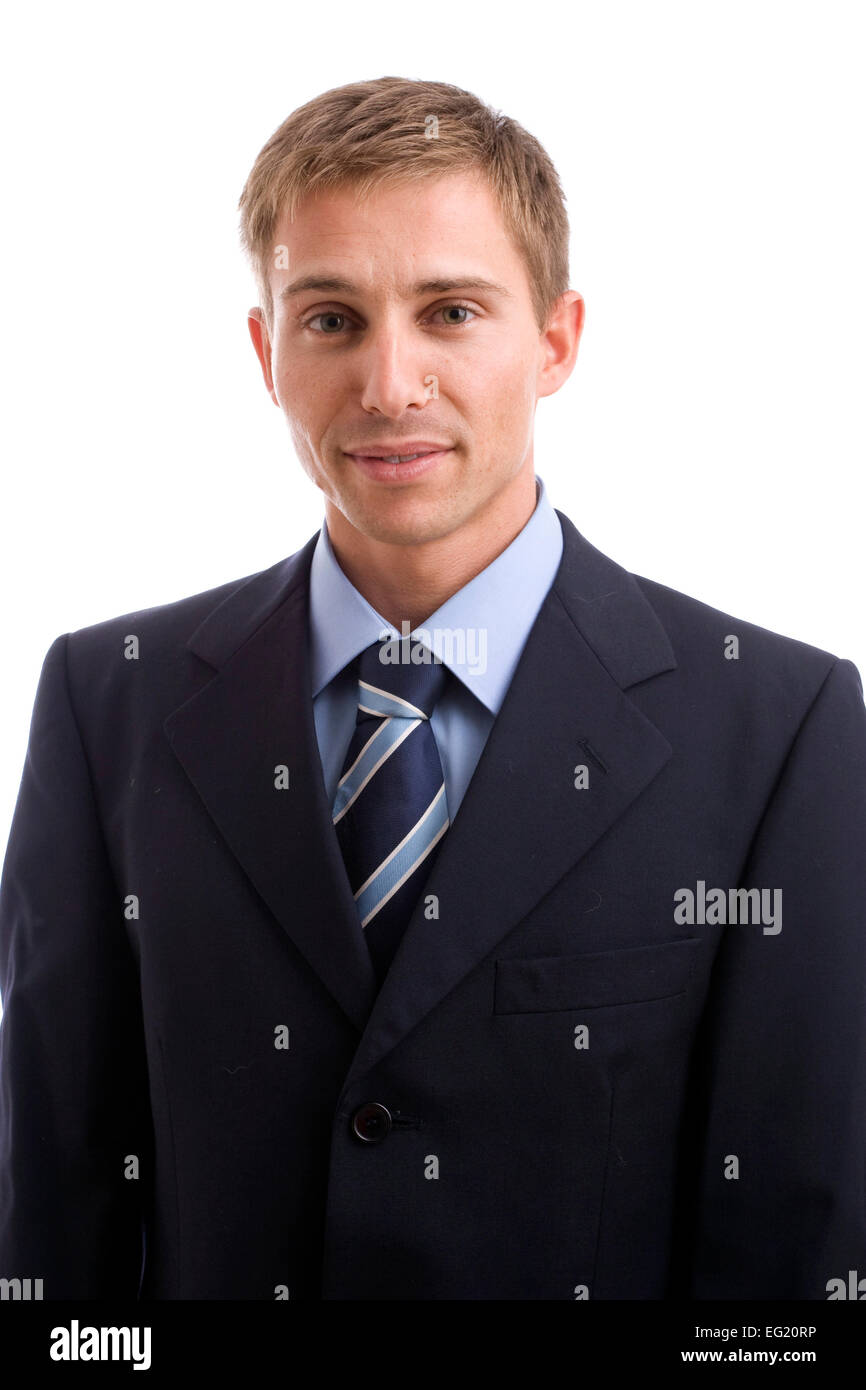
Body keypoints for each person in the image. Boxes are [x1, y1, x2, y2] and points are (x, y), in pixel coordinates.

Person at [1, 75, 864, 1302]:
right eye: (331, 319)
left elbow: (794, 1239)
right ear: (266, 350)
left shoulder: (777, 728)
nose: (389, 384)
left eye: (450, 311)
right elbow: (55, 1200)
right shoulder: (105, 706)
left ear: (555, 339)